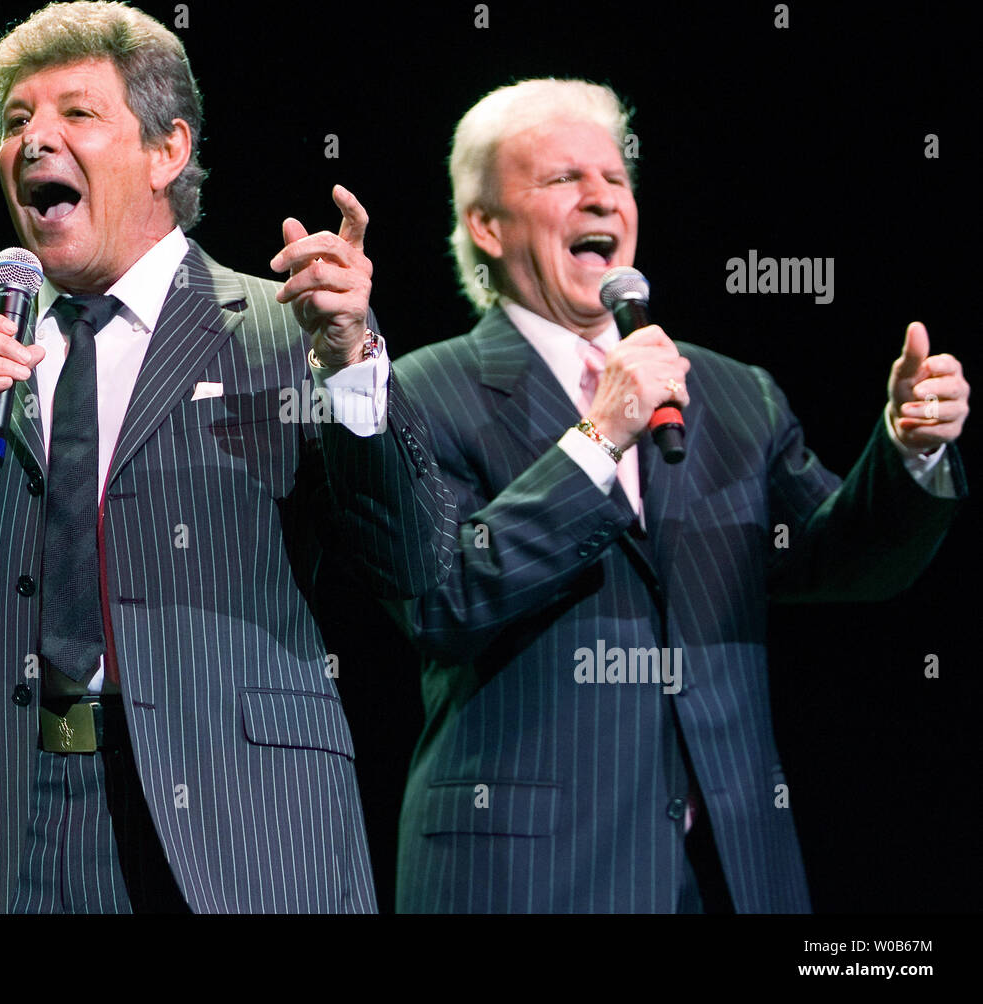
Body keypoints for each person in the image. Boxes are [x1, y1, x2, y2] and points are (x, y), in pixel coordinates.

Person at [0, 0, 455, 914]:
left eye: (76, 113)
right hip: (10, 836)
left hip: (245, 830)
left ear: (168, 152)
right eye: (15, 122)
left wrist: (354, 366)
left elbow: (418, 566)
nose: (35, 140)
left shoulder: (289, 334)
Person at [392, 78, 969, 913]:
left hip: (733, 874)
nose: (600, 196)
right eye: (562, 180)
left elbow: (843, 562)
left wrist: (910, 451)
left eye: (616, 179)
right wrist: (600, 436)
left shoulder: (736, 394)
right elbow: (444, 599)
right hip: (526, 877)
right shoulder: (420, 395)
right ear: (486, 223)